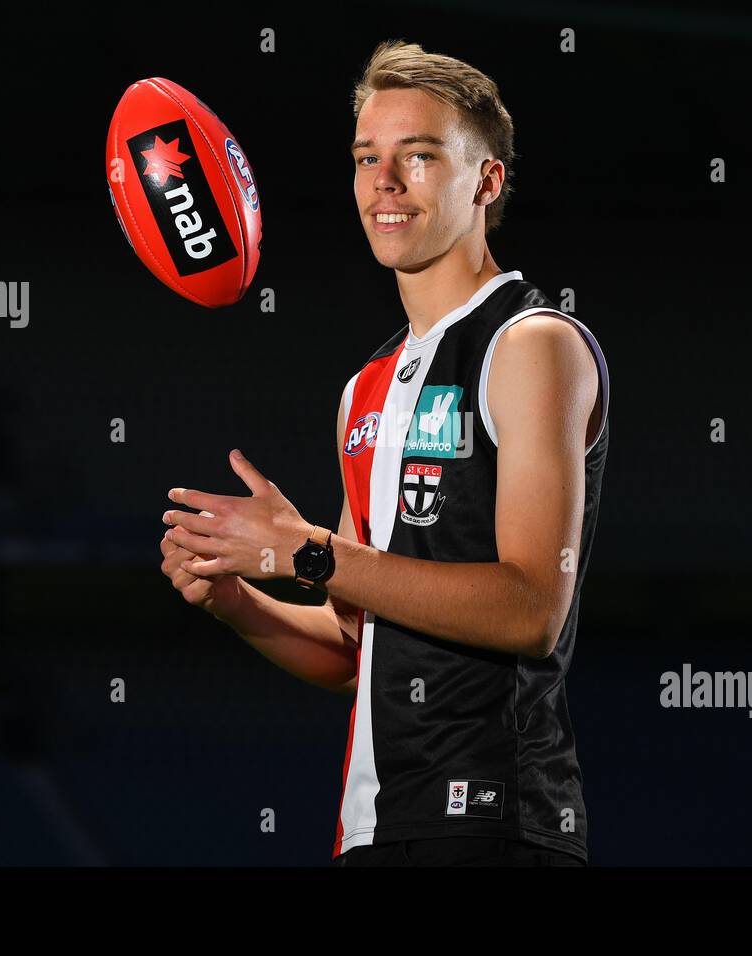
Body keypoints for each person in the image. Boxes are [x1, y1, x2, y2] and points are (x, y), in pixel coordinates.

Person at [160, 40, 609, 867]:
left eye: (419, 157)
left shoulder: (531, 344)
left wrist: (310, 552)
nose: (384, 183)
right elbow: (353, 645)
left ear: (487, 181)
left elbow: (531, 610)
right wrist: (239, 598)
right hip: (369, 829)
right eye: (368, 157)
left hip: (493, 822)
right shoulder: (364, 388)